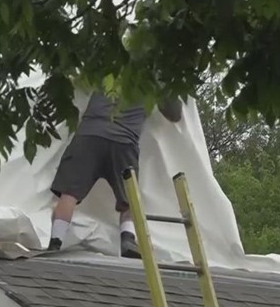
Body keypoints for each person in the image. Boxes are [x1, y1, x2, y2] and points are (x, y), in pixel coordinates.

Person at [48, 91, 184, 258]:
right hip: (124, 142)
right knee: (130, 200)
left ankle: (56, 241)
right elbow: (175, 114)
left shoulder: (108, 65)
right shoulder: (154, 76)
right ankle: (127, 240)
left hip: (89, 136)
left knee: (69, 194)